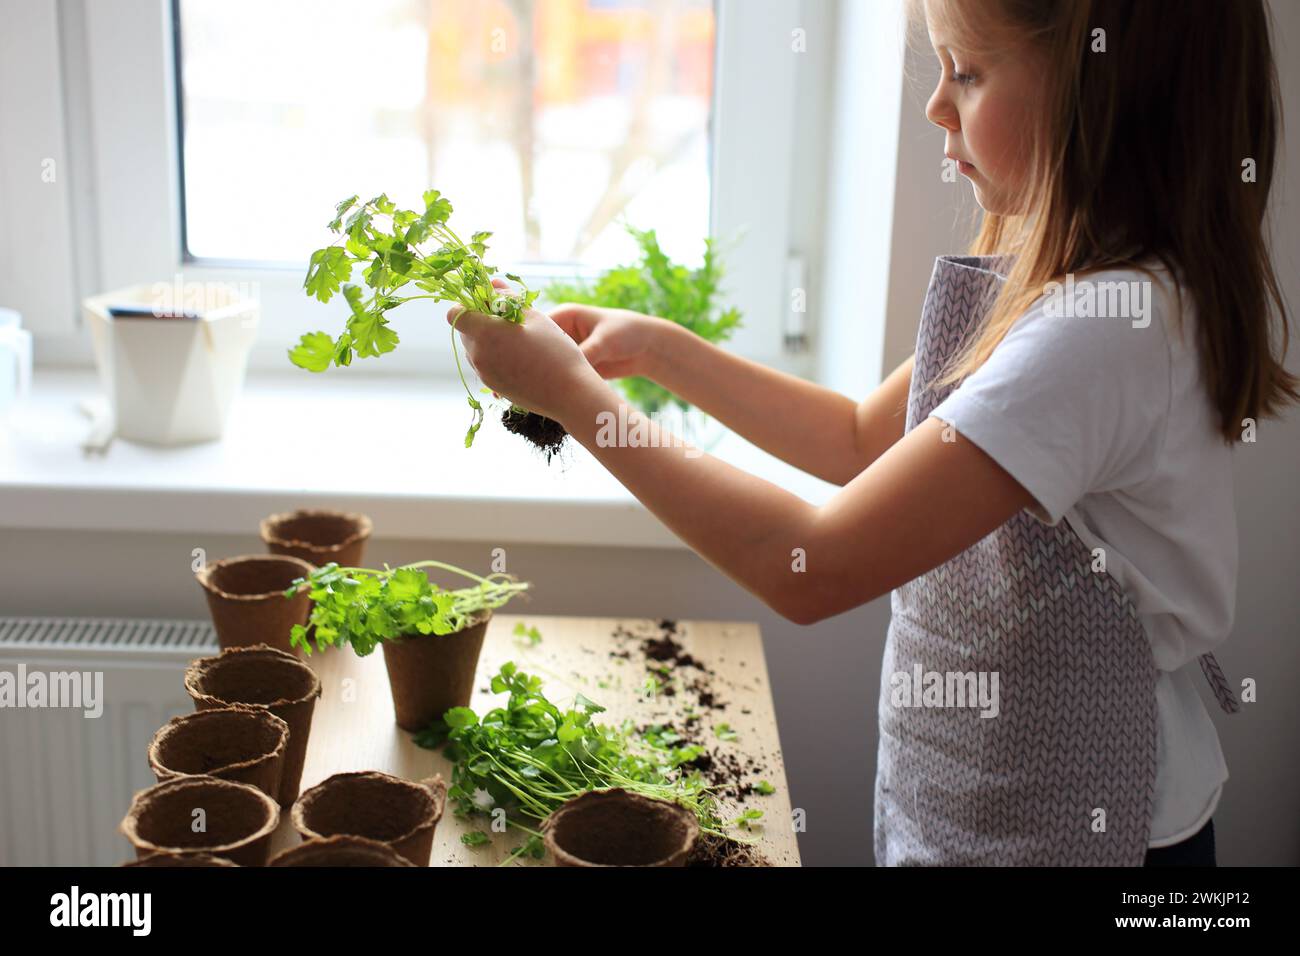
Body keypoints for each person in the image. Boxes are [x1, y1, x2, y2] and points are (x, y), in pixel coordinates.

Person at [445, 0, 1296, 866]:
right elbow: (861, 438)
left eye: (967, 72)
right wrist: (661, 351)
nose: (936, 104)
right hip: (983, 799)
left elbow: (810, 566)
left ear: (1104, 87)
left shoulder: (1103, 336)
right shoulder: (1068, 281)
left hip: (1089, 829)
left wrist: (573, 398)